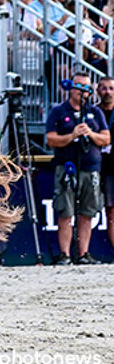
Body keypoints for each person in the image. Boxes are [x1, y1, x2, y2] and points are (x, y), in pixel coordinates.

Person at [44, 73, 108, 265]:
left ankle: (84, 253)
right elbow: (50, 140)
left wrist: (91, 134)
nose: (83, 91)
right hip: (67, 167)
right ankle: (65, 254)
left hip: (91, 168)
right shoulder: (59, 111)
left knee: (87, 213)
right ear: (71, 88)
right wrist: (72, 136)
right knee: (65, 212)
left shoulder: (96, 113)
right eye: (79, 86)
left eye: (87, 87)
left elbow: (106, 138)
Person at [98, 77, 114, 254]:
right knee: (110, 212)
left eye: (111, 88)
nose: (107, 92)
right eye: (103, 88)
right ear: (97, 91)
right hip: (99, 167)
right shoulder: (93, 112)